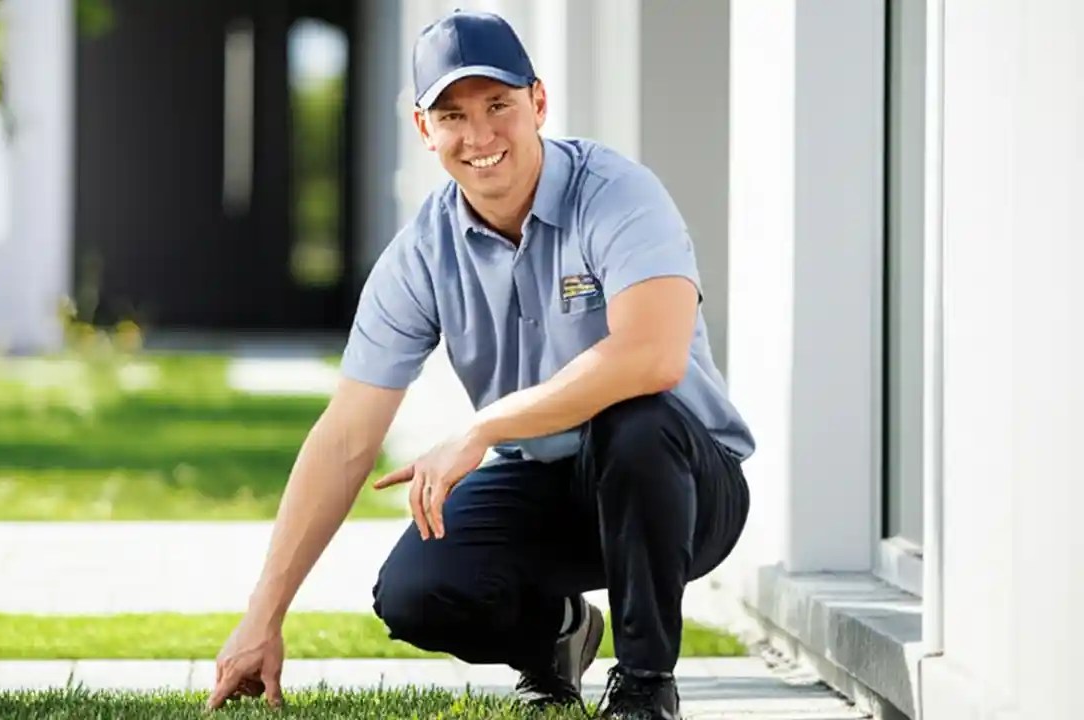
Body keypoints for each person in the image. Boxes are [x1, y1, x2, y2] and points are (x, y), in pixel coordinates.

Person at [205, 9, 753, 719]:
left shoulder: (617, 194)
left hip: (684, 488)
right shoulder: (422, 253)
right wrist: (263, 616)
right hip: (553, 484)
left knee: (636, 423)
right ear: (423, 130)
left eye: (499, 105)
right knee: (417, 592)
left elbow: (651, 357)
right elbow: (345, 437)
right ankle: (558, 634)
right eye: (453, 115)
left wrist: (485, 427)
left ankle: (645, 688)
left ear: (539, 103)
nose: (480, 135)